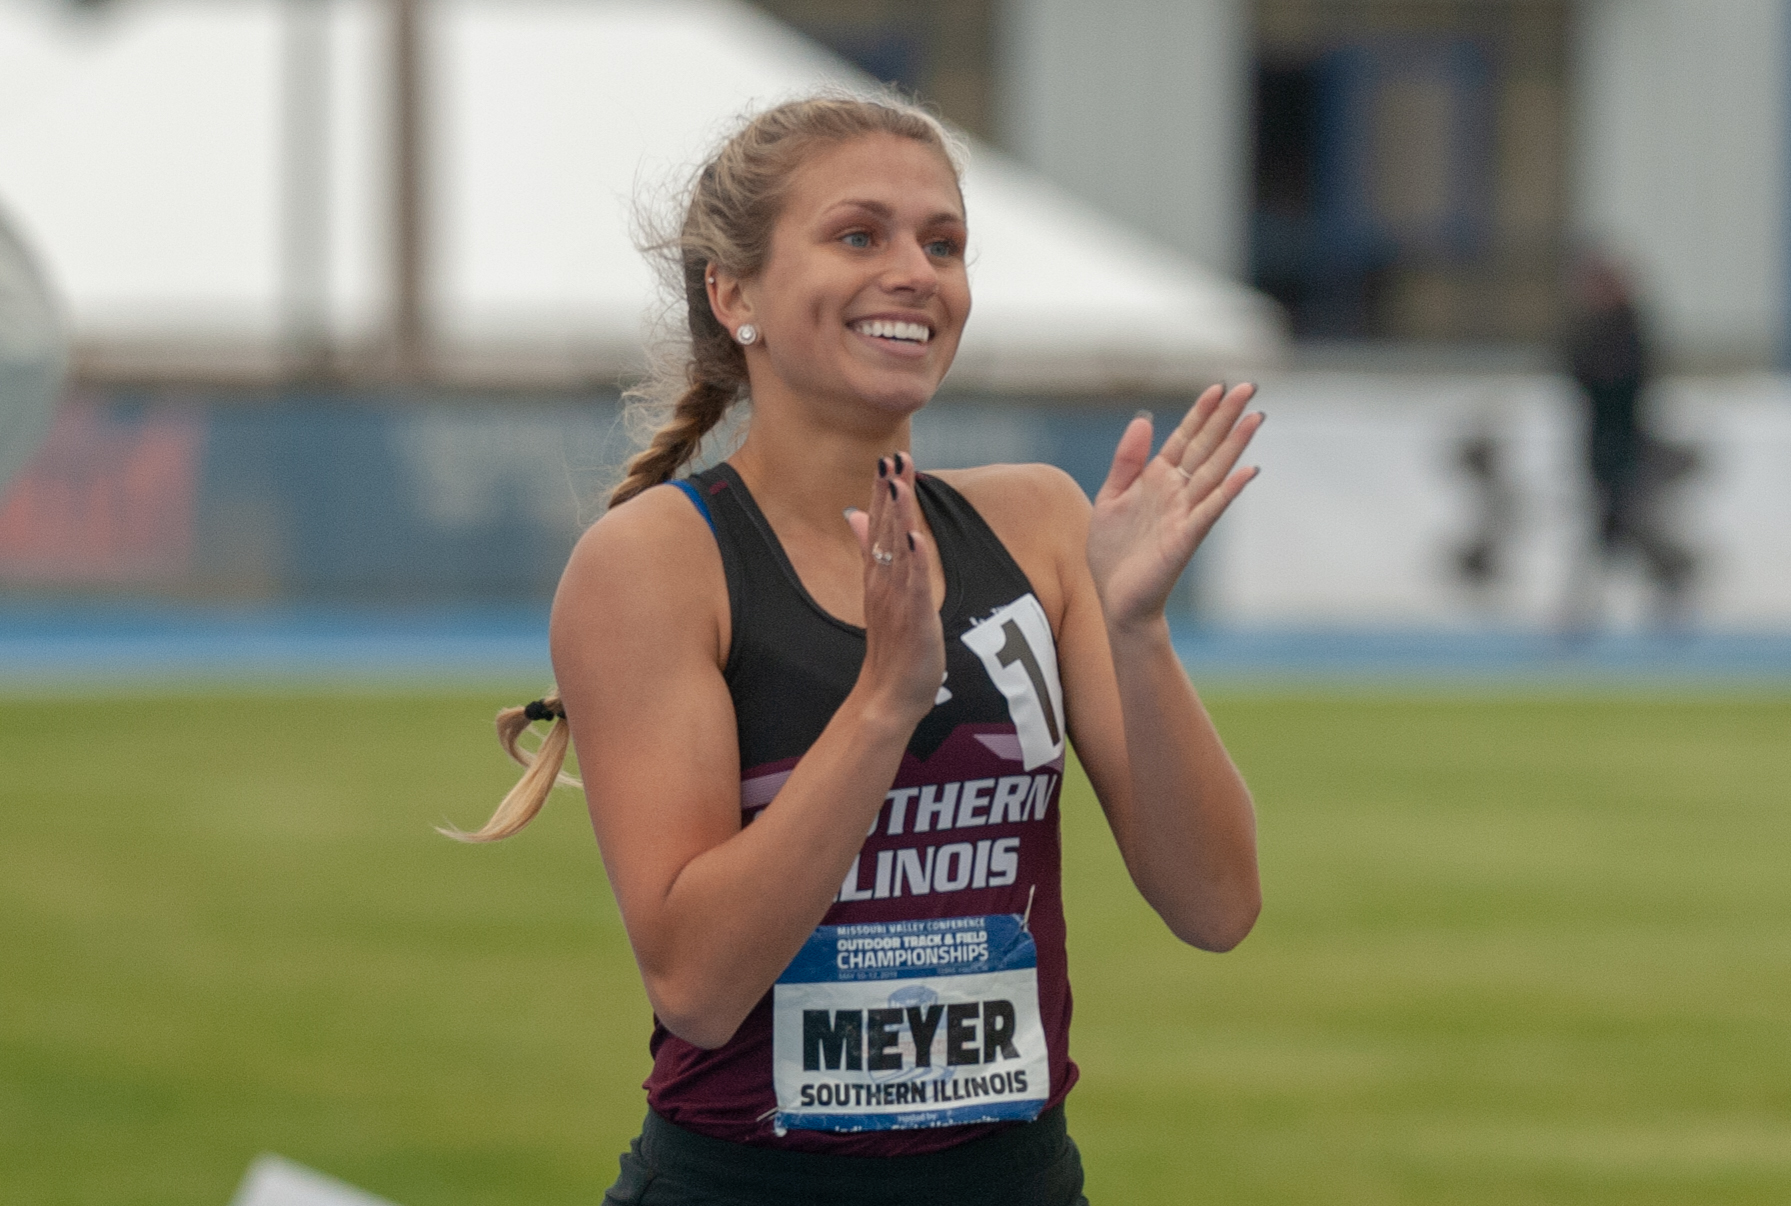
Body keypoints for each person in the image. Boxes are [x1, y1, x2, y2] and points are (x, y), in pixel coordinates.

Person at [450, 94, 1264, 1205]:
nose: (915, 271)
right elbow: (696, 983)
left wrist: (1136, 631)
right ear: (735, 294)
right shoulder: (656, 565)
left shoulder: (1038, 524)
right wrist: (884, 703)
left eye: (945, 244)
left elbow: (1216, 906)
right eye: (858, 235)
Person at [1561, 250, 1695, 629]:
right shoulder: (1591, 329)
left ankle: (1665, 596)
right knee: (1613, 531)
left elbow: (1618, 382)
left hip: (1627, 446)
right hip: (1603, 446)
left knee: (1630, 527)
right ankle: (1591, 610)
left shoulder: (1627, 330)